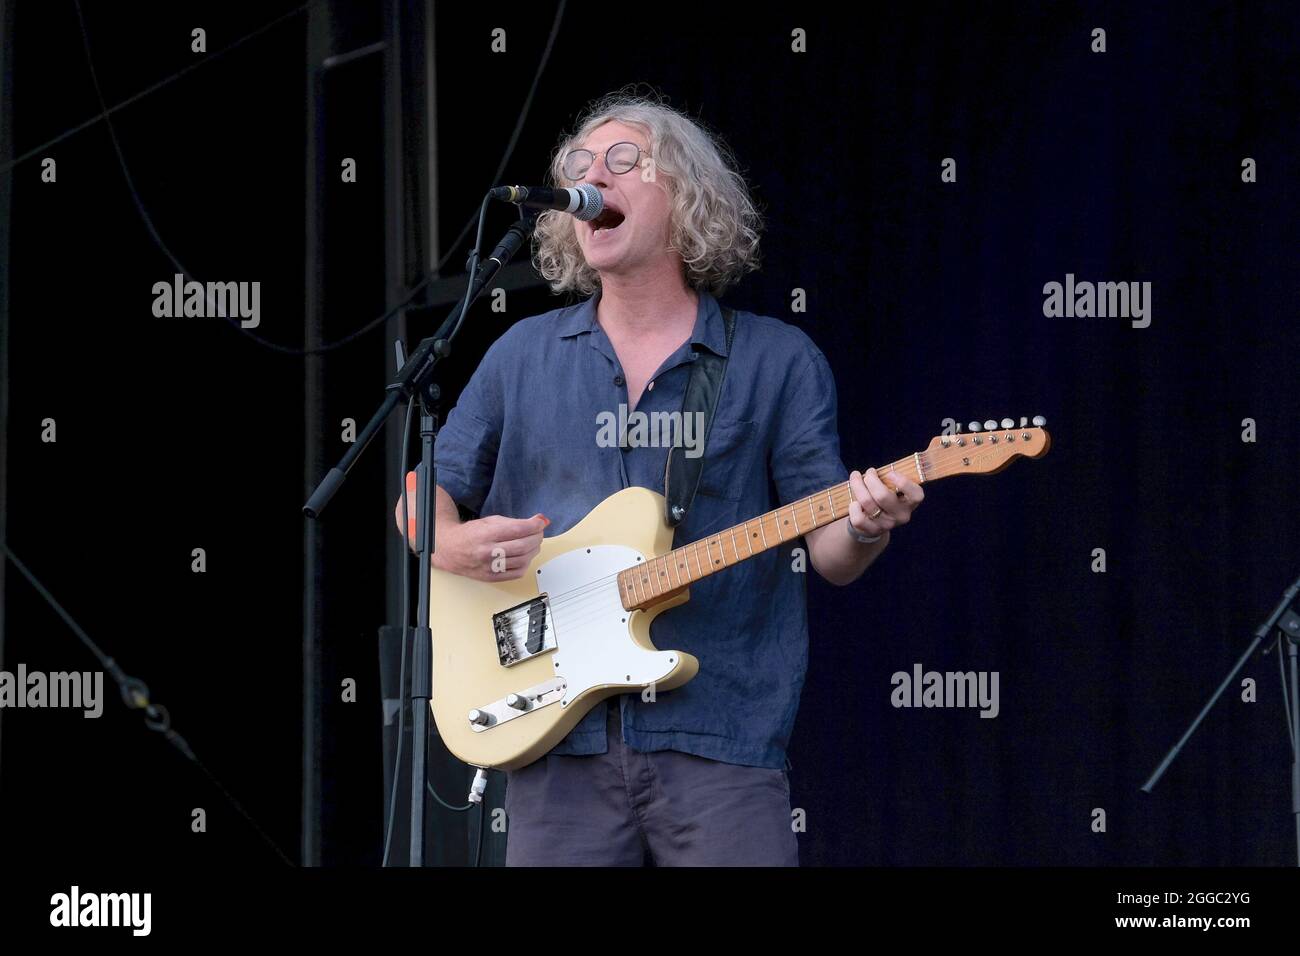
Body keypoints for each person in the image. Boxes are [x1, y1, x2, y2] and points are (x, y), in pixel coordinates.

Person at [395, 89, 924, 865]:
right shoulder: (522, 355)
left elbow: (830, 554)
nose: (592, 181)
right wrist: (448, 543)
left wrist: (867, 523)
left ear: (685, 197)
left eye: (621, 162)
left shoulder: (776, 361)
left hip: (720, 740)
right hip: (554, 739)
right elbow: (420, 494)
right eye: (579, 168)